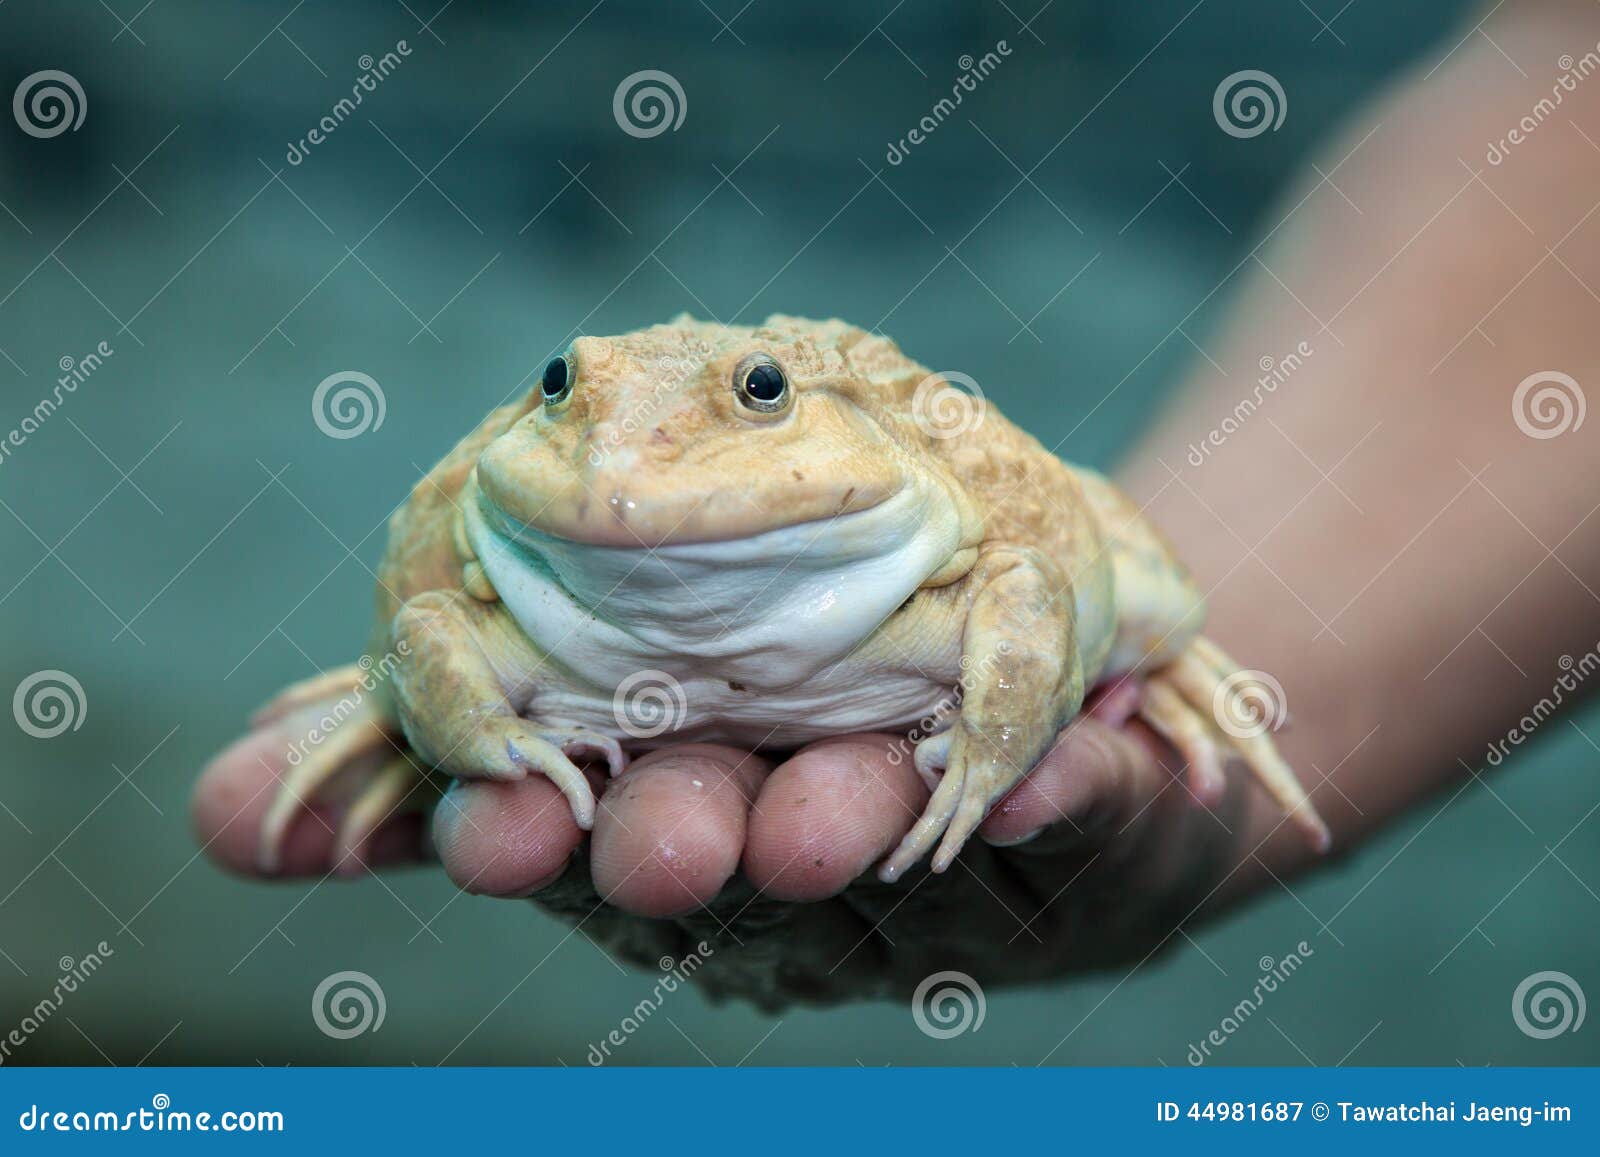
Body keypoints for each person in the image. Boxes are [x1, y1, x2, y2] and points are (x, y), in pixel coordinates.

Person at [192, 2, 1600, 1007]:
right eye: (569, 392)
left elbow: (1031, 589)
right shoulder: (517, 583)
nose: (629, 462)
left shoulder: (940, 583)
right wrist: (464, 724)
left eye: (753, 399)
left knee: (1153, 603)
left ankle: (1183, 667)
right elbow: (430, 632)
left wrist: (1004, 736)